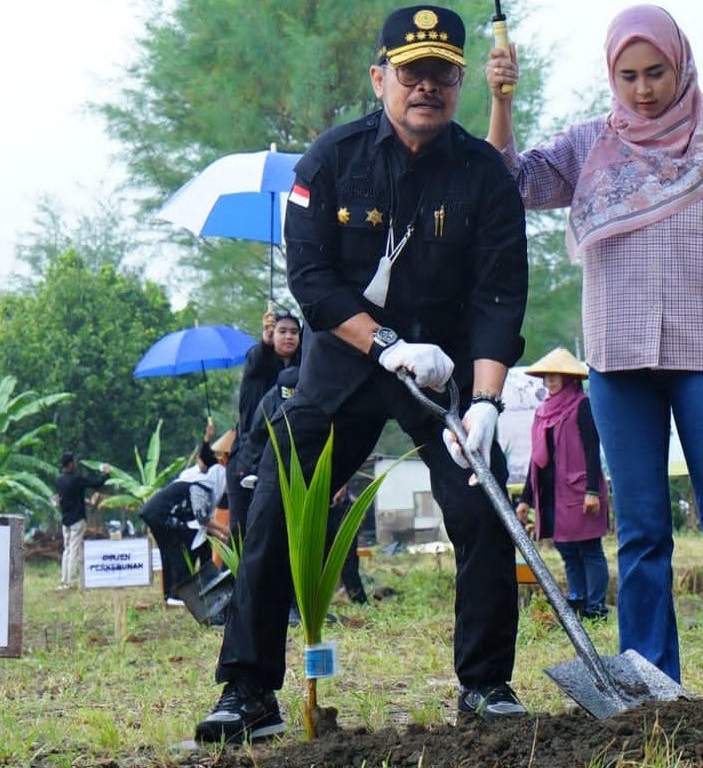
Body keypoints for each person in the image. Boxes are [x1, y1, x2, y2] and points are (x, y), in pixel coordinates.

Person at [194, 4, 528, 744]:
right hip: (344, 362)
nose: (427, 87)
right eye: (412, 72)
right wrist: (383, 345)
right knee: (277, 505)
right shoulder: (331, 160)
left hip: (441, 369)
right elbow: (311, 282)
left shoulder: (485, 177)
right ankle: (247, 691)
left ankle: (486, 685)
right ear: (380, 77)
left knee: (482, 506)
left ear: (460, 83)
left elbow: (500, 297)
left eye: (442, 73)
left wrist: (485, 403)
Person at [485, 4, 703, 700]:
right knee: (644, 532)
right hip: (619, 364)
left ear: (680, 65)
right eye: (629, 76)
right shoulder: (588, 145)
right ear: (611, 73)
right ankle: (653, 688)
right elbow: (511, 183)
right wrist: (503, 103)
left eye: (657, 73)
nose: (644, 88)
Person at [514, 347, 610, 621]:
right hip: (551, 493)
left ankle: (596, 609)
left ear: (569, 378)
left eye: (555, 375)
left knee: (590, 550)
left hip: (580, 491)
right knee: (567, 549)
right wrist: (525, 499)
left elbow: (593, 449)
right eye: (546, 376)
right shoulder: (543, 411)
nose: (549, 381)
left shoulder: (583, 405)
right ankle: (577, 601)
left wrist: (593, 491)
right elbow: (537, 458)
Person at [227, 308, 302, 545]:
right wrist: (266, 340)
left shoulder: (303, 371)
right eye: (282, 331)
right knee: (242, 528)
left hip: (285, 457)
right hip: (249, 457)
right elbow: (259, 356)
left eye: (293, 332)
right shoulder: (258, 364)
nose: (288, 337)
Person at [141, 420, 229, 606]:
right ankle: (177, 595)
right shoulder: (202, 484)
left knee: (177, 551)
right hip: (162, 515)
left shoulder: (202, 480)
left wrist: (219, 534)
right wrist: (225, 532)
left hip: (161, 514)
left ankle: (175, 594)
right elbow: (202, 517)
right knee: (177, 551)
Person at [54, 452, 110, 589]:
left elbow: (61, 498)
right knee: (73, 549)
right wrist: (106, 473)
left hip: (65, 520)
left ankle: (64, 579)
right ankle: (71, 580)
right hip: (77, 519)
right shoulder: (76, 480)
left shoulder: (59, 480)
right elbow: (97, 483)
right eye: (74, 462)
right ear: (70, 464)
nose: (76, 464)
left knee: (67, 550)